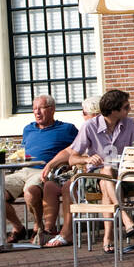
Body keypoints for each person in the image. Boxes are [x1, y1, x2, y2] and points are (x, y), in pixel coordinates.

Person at [0, 95, 78, 244]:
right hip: (23, 170)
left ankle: (38, 227)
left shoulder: (67, 129)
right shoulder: (28, 129)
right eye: (34, 109)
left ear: (52, 109)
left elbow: (78, 149)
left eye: (41, 108)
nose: (37, 112)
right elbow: (23, 152)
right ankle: (18, 228)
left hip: (44, 171)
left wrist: (66, 164)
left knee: (30, 193)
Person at [68, 89, 134, 252]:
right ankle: (125, 219)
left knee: (106, 181)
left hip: (124, 176)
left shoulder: (129, 124)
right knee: (106, 172)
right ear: (114, 111)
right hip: (93, 176)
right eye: (126, 107)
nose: (129, 110)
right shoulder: (90, 126)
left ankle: (108, 237)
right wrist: (87, 159)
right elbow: (72, 158)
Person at [39, 97, 100, 247]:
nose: (82, 116)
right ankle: (49, 229)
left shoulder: (100, 130)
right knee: (50, 186)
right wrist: (51, 164)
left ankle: (67, 233)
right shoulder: (86, 128)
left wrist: (83, 159)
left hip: (93, 172)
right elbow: (70, 150)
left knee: (68, 186)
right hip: (77, 170)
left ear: (96, 114)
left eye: (84, 113)